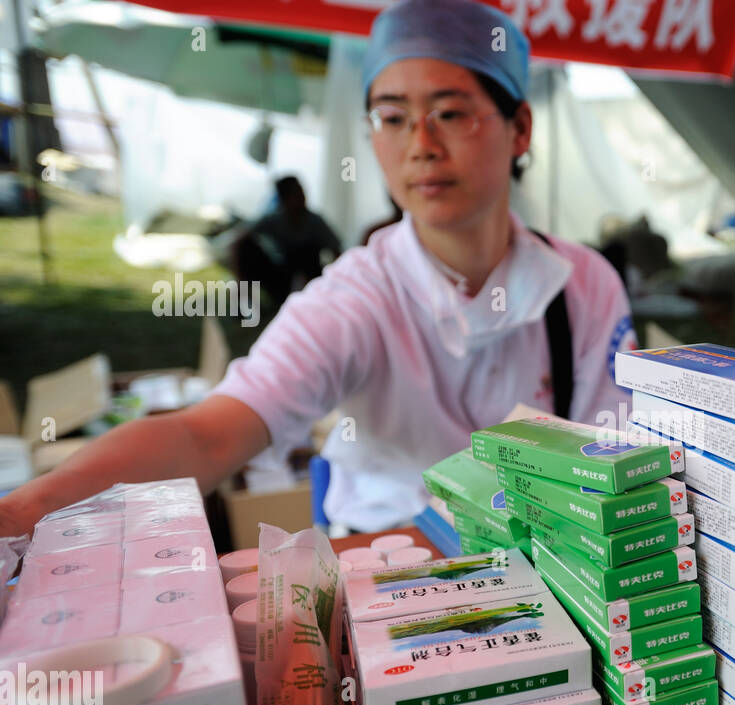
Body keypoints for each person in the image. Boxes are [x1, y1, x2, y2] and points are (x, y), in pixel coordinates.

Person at [0, 0, 636, 537]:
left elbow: (617, 453)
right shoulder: (358, 298)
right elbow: (211, 435)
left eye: (450, 112)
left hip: (558, 565)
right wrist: (29, 509)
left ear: (519, 127)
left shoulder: (583, 285)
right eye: (391, 117)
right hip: (393, 565)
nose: (421, 144)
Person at [236, 175, 343, 311]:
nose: (302, 196)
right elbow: (240, 239)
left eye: (302, 191)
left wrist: (339, 282)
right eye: (296, 193)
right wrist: (241, 281)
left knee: (306, 253)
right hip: (282, 275)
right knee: (247, 247)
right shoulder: (273, 219)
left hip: (311, 273)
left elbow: (336, 250)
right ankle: (246, 300)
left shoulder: (315, 221)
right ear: (284, 198)